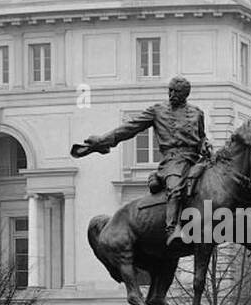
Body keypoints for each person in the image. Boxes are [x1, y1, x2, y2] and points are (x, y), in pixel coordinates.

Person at [71, 75, 212, 245]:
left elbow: (202, 137)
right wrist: (102, 141)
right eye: (170, 90)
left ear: (185, 94)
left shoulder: (197, 113)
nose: (171, 94)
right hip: (173, 161)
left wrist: (206, 144)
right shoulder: (158, 110)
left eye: (176, 92)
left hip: (195, 160)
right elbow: (130, 128)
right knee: (175, 188)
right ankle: (172, 229)